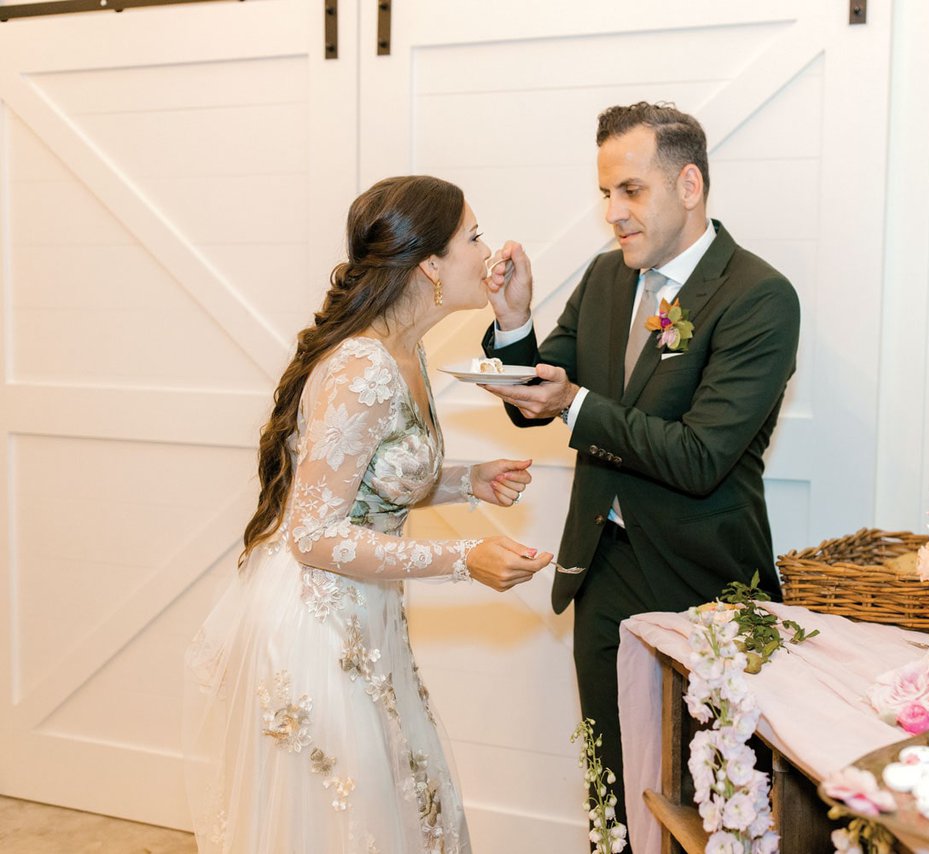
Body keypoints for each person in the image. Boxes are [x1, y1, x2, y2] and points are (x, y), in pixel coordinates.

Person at [183, 175, 552, 854]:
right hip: (317, 629)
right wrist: (463, 558)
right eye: (473, 235)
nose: (488, 249)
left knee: (409, 802)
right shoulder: (363, 367)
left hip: (367, 619)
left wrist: (468, 479)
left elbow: (372, 485)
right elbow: (314, 536)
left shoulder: (406, 349)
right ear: (431, 265)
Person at [479, 101, 801, 835]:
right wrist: (515, 325)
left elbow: (701, 456)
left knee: (710, 802)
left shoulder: (759, 296)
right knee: (613, 788)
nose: (613, 214)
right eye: (605, 195)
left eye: (631, 191)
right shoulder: (603, 279)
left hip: (706, 586)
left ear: (689, 186)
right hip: (601, 569)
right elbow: (537, 397)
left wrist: (578, 405)